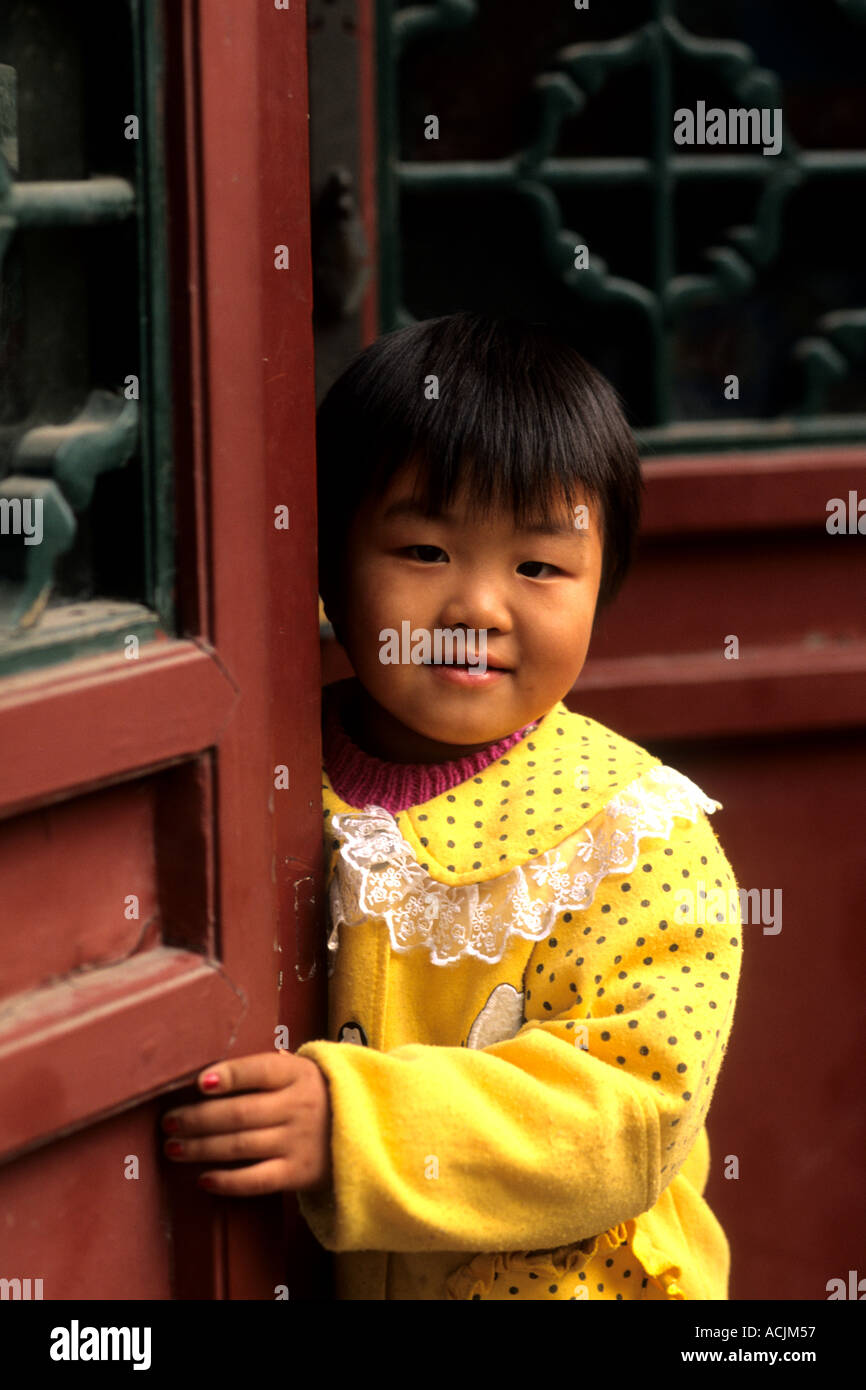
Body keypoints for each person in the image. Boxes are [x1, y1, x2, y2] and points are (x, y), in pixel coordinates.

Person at [161, 311, 742, 1301]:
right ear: (326, 570)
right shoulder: (259, 767)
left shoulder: (630, 836)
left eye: (537, 567)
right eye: (424, 552)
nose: (477, 605)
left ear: (601, 588)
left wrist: (359, 1127)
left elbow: (632, 1110)